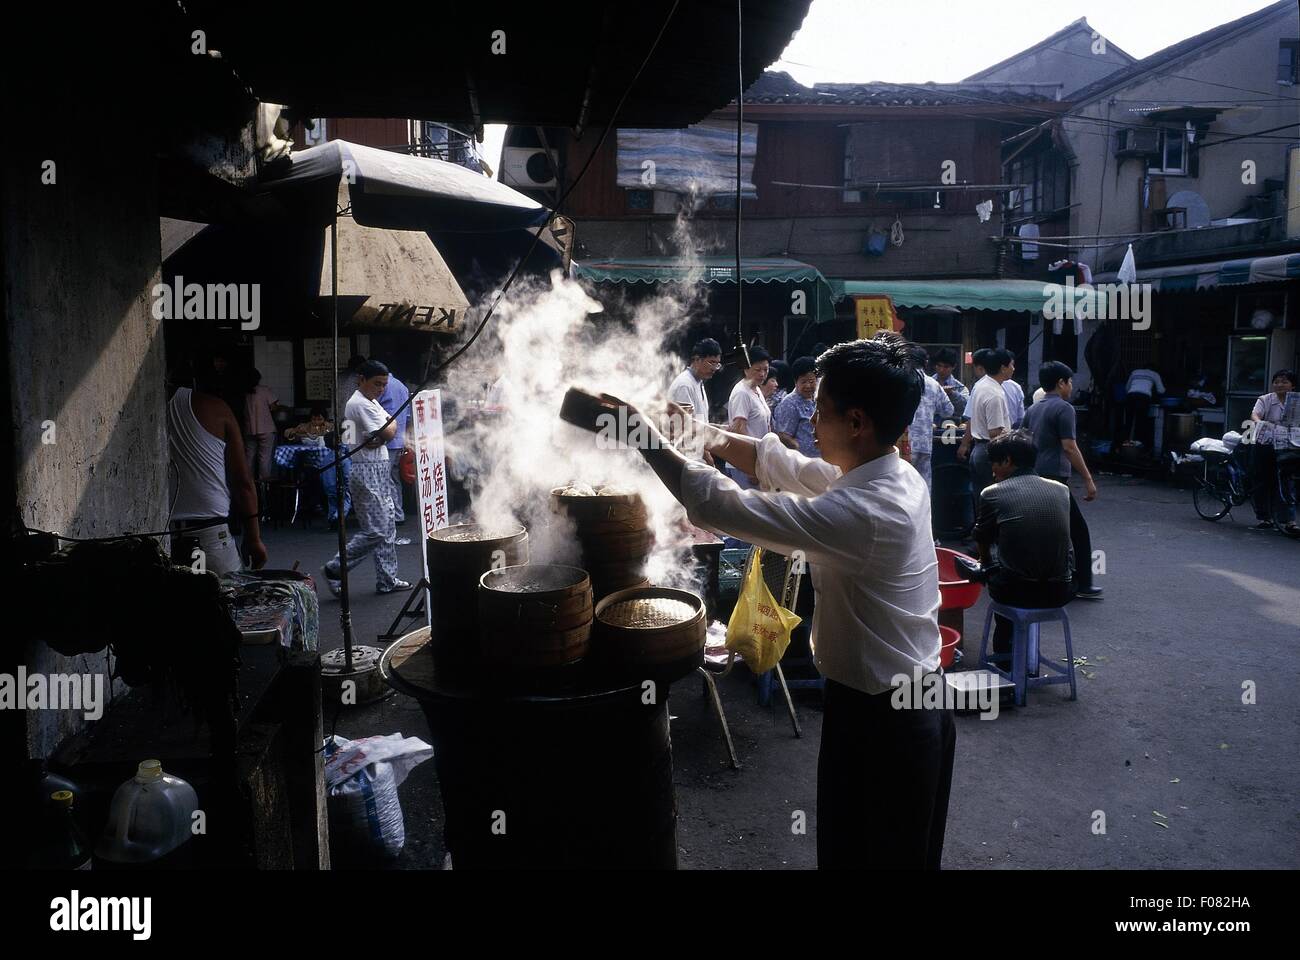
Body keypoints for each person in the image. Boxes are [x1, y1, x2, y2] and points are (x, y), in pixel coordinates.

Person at [608, 336, 952, 870]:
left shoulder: (869, 512)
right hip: (897, 701)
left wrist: (642, 437)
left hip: (887, 721)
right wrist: (694, 431)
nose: (812, 417)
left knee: (870, 857)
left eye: (823, 408)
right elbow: (782, 464)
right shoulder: (886, 472)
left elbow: (718, 502)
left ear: (857, 422)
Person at [960, 430, 1073, 669]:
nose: (992, 470)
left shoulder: (992, 493)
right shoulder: (1061, 490)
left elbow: (981, 535)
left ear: (1008, 461)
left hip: (1017, 592)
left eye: (994, 463)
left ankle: (1005, 663)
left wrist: (985, 562)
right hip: (1061, 591)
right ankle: (1027, 660)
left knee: (996, 574)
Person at [167, 351, 268, 575]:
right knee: (224, 604)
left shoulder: (137, 409)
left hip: (156, 539)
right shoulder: (215, 409)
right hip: (209, 535)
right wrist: (254, 538)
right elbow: (242, 482)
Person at [322, 360, 410, 596]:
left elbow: (390, 426)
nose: (380, 390)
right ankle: (335, 568)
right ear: (361, 379)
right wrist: (385, 433)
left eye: (383, 385)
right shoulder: (360, 404)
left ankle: (387, 579)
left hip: (378, 465)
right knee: (377, 530)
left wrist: (385, 433)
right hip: (366, 469)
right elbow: (389, 431)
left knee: (388, 525)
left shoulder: (370, 401)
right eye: (376, 384)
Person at [1023, 362, 1103, 600]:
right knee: (1077, 531)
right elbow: (1069, 446)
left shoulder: (1033, 409)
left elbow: (1024, 442)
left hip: (1034, 474)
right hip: (1055, 478)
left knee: (1043, 530)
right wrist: (1089, 479)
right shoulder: (1064, 408)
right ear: (1061, 383)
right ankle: (1084, 583)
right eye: (1069, 381)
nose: (1071, 386)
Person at [958, 348, 1014, 523]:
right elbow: (995, 433)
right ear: (1003, 368)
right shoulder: (994, 394)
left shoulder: (982, 385)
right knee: (992, 499)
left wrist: (965, 443)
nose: (1014, 369)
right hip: (991, 451)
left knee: (981, 498)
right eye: (1012, 365)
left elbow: (972, 419)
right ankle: (988, 541)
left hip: (980, 449)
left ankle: (981, 538)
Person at [1248, 368, 1298, 535]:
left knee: (1286, 479)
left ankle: (1289, 520)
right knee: (1262, 479)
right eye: (1276, 381)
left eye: (1284, 381)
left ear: (1292, 385)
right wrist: (1260, 423)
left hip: (1288, 444)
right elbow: (1255, 414)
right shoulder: (1265, 399)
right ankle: (1264, 517)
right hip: (1265, 442)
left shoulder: (1297, 401)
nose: (1279, 384)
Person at [907, 347, 954, 493]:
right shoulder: (933, 384)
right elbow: (948, 411)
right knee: (923, 488)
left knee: (904, 488)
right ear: (925, 363)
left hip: (905, 444)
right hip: (925, 444)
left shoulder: (900, 381)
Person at [726, 345, 772, 488]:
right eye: (757, 370)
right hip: (745, 464)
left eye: (766, 369)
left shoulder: (757, 389)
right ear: (746, 368)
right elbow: (739, 431)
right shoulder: (742, 393)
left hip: (758, 461)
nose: (762, 374)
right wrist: (750, 467)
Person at [378, 369, 412, 525]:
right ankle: (398, 513)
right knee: (394, 477)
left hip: (387, 438)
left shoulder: (381, 385)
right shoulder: (402, 386)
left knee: (386, 478)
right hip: (400, 438)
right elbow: (409, 415)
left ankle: (393, 514)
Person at [242, 368, 284, 489]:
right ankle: (264, 487)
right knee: (264, 458)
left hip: (249, 429)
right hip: (266, 428)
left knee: (249, 458)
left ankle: (248, 486)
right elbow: (274, 407)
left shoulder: (243, 392)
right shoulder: (264, 390)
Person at [668, 338, 722, 428]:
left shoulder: (698, 382)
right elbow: (685, 426)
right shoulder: (684, 385)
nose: (714, 368)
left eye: (717, 364)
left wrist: (720, 428)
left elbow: (701, 423)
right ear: (697, 359)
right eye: (712, 362)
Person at [773, 356, 819, 458]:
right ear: (795, 382)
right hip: (803, 464)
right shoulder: (790, 403)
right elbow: (783, 436)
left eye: (811, 381)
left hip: (821, 462)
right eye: (803, 382)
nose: (808, 386)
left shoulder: (817, 398)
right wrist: (799, 451)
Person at [1124, 365, 1165, 445]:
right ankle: (1137, 444)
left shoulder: (1135, 372)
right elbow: (1161, 390)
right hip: (1144, 397)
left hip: (1131, 396)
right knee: (1140, 421)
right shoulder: (1155, 374)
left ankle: (1125, 443)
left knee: (1128, 421)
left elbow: (1127, 388)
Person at [932, 348, 968, 419]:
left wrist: (952, 393)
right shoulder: (926, 384)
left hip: (953, 426)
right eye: (939, 365)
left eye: (946, 367)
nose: (941, 370)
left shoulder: (960, 388)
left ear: (953, 366)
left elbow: (965, 408)